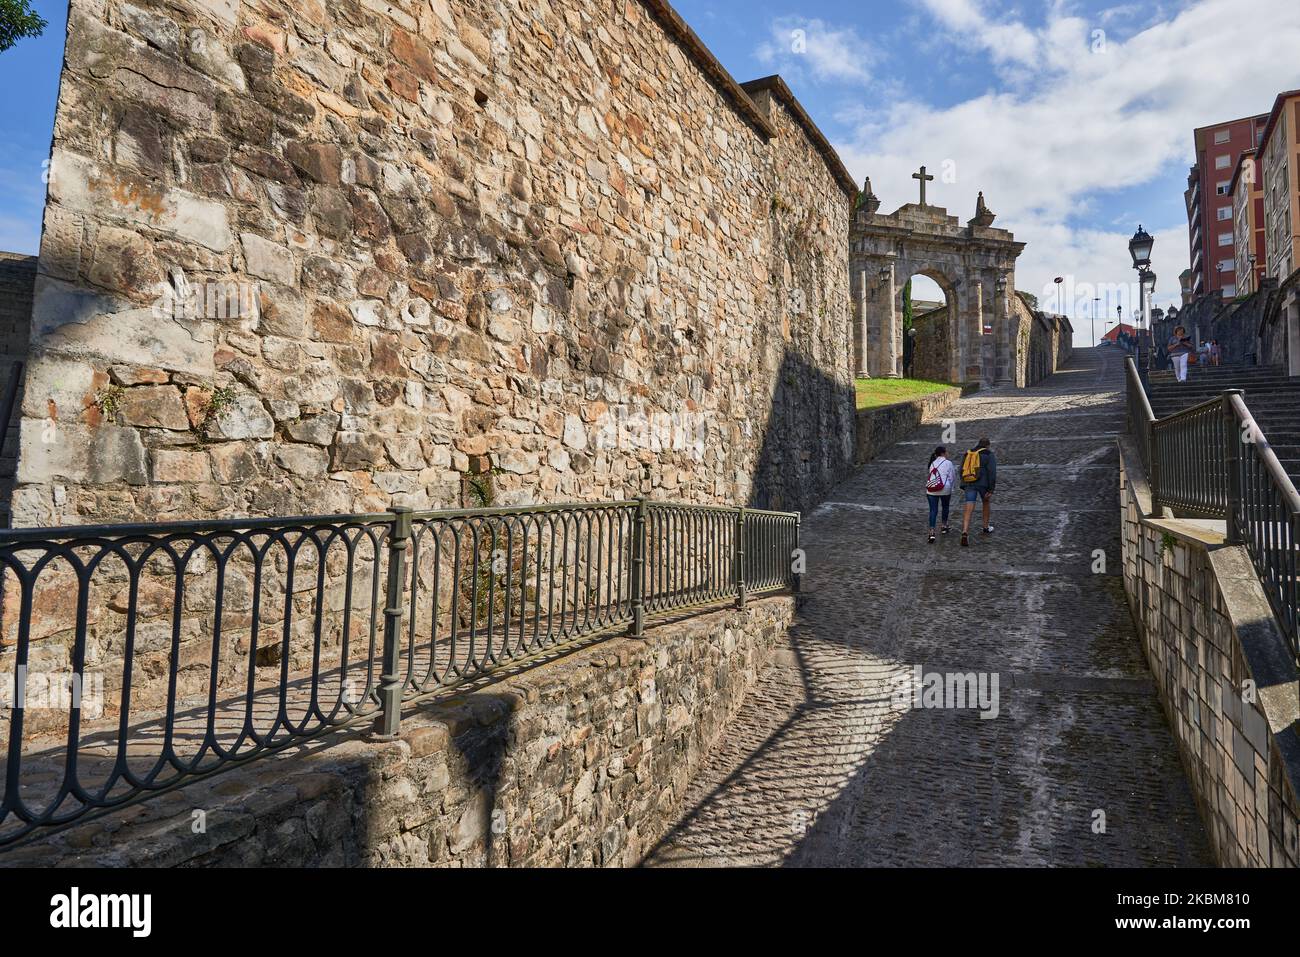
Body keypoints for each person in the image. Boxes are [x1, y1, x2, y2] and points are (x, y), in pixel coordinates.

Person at [959, 438, 996, 547]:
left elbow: (961, 469)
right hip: (983, 484)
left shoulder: (968, 453)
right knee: (986, 502)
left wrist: (964, 483)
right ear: (988, 445)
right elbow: (992, 472)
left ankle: (965, 531)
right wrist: (991, 489)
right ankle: (985, 527)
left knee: (969, 505)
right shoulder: (988, 454)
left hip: (969, 483)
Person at [925, 446, 956, 544]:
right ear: (943, 453)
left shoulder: (932, 463)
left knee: (933, 510)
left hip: (931, 489)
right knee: (945, 506)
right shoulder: (948, 463)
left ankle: (932, 531)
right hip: (944, 489)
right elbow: (952, 477)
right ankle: (944, 525)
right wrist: (951, 488)